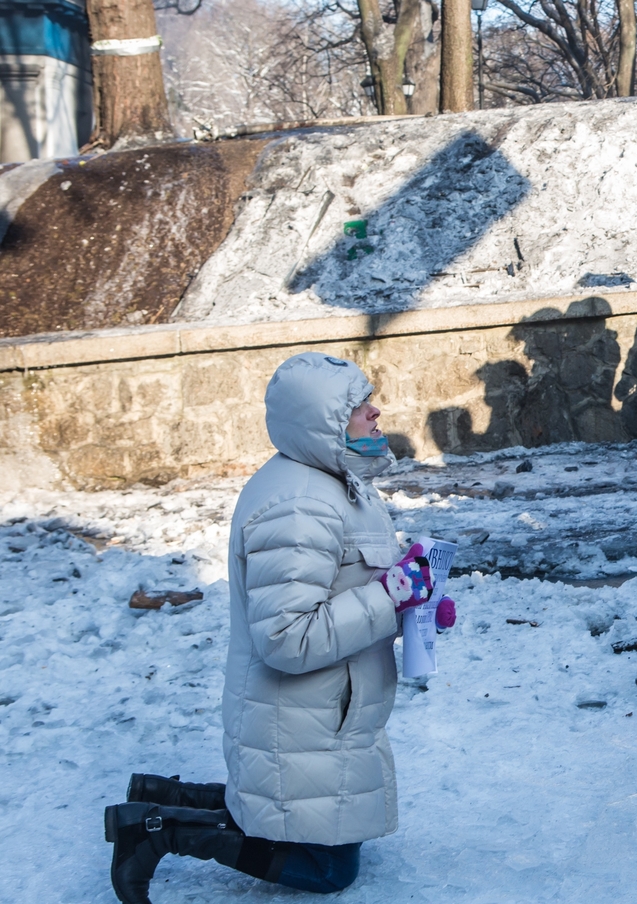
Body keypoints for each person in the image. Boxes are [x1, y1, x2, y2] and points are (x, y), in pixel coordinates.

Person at [104, 353, 457, 902]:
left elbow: (345, 585)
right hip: (301, 713)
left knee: (305, 821)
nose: (375, 412)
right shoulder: (299, 504)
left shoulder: (336, 483)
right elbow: (287, 638)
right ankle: (156, 830)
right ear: (321, 420)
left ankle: (165, 796)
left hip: (323, 710)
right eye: (359, 406)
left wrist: (414, 604)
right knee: (329, 868)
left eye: (369, 400)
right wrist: (390, 596)